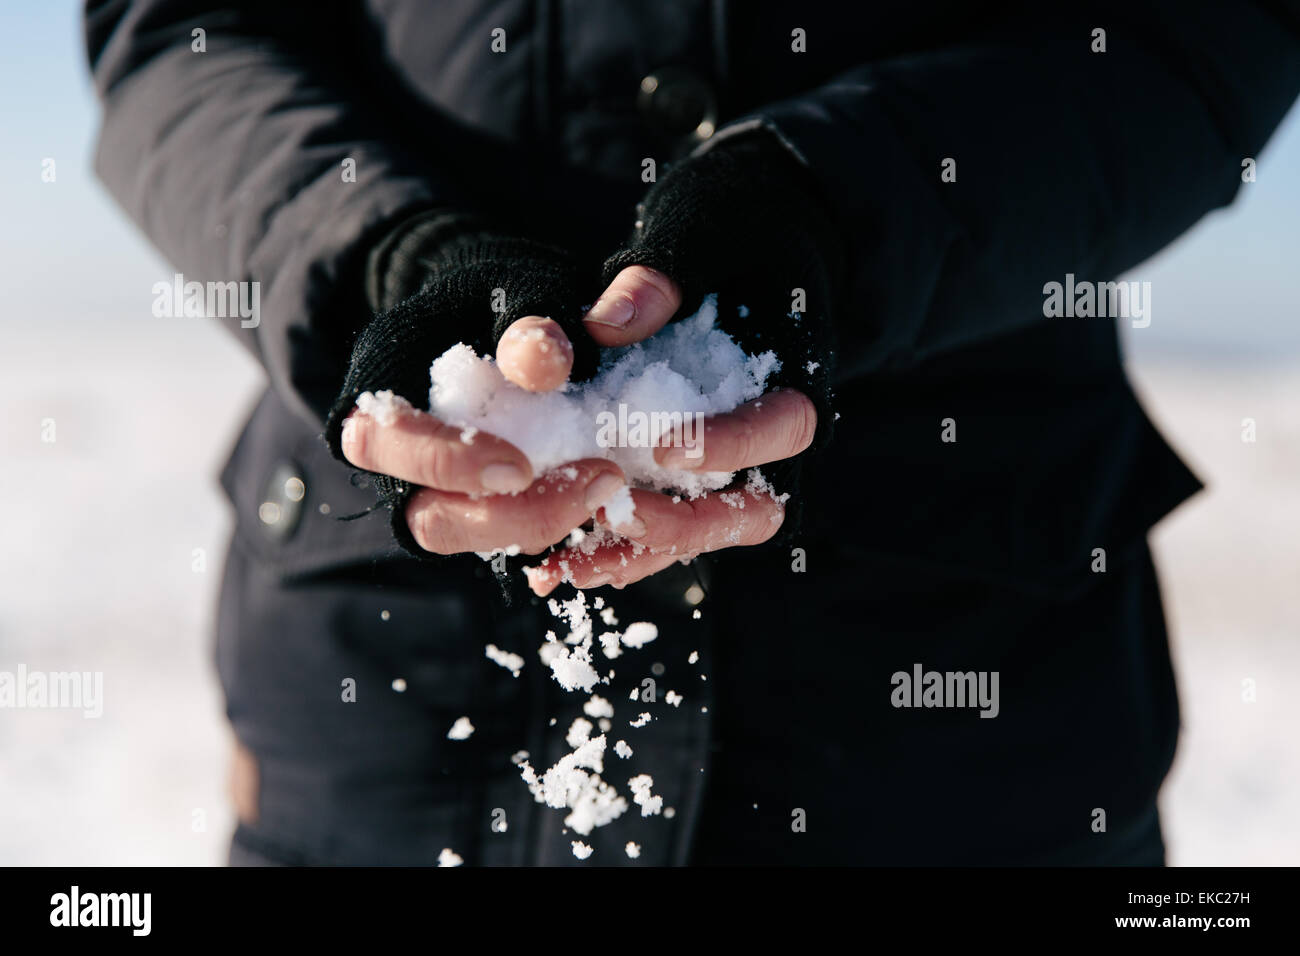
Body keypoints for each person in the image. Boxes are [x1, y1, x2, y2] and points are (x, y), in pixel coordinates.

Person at [86, 0, 1300, 865]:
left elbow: (1199, 35)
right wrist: (375, 257)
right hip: (386, 711)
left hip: (968, 703)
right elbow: (177, 32)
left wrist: (840, 202)